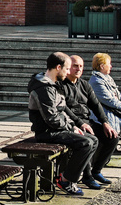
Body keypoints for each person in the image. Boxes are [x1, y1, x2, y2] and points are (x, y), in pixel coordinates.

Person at [26, 51, 96, 195]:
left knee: (93, 140)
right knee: (86, 143)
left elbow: (62, 109)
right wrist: (71, 127)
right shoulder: (43, 88)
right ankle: (66, 180)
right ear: (58, 67)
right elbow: (51, 118)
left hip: (56, 129)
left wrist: (77, 124)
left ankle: (68, 177)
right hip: (47, 132)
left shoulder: (52, 85)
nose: (69, 71)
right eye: (67, 68)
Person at [62, 54, 119, 188]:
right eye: (75, 66)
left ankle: (96, 171)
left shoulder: (84, 85)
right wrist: (80, 124)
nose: (79, 69)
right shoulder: (61, 85)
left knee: (112, 137)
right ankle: (87, 177)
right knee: (90, 139)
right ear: (68, 67)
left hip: (87, 121)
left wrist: (105, 122)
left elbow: (96, 105)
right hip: (71, 124)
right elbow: (64, 109)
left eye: (81, 66)